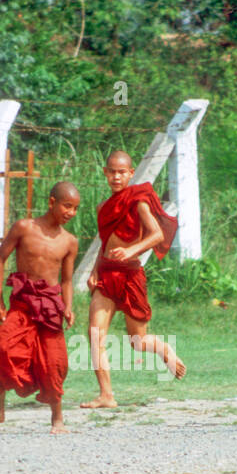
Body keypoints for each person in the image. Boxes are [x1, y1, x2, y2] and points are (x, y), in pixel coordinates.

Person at [80, 151, 186, 409]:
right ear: (105, 173)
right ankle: (106, 395)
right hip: (106, 275)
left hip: (130, 275)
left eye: (121, 172)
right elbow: (105, 241)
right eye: (112, 172)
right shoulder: (103, 207)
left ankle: (163, 350)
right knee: (95, 336)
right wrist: (94, 270)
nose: (116, 177)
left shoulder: (138, 202)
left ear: (130, 173)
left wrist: (131, 250)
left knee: (137, 341)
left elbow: (157, 235)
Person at [0, 182, 81, 433]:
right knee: (1, 348)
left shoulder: (69, 241)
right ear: (51, 202)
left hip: (49, 308)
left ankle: (57, 419)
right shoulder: (24, 227)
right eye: (67, 206)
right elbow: (0, 259)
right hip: (23, 303)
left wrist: (68, 307)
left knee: (53, 362)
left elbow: (66, 280)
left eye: (76, 209)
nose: (71, 213)